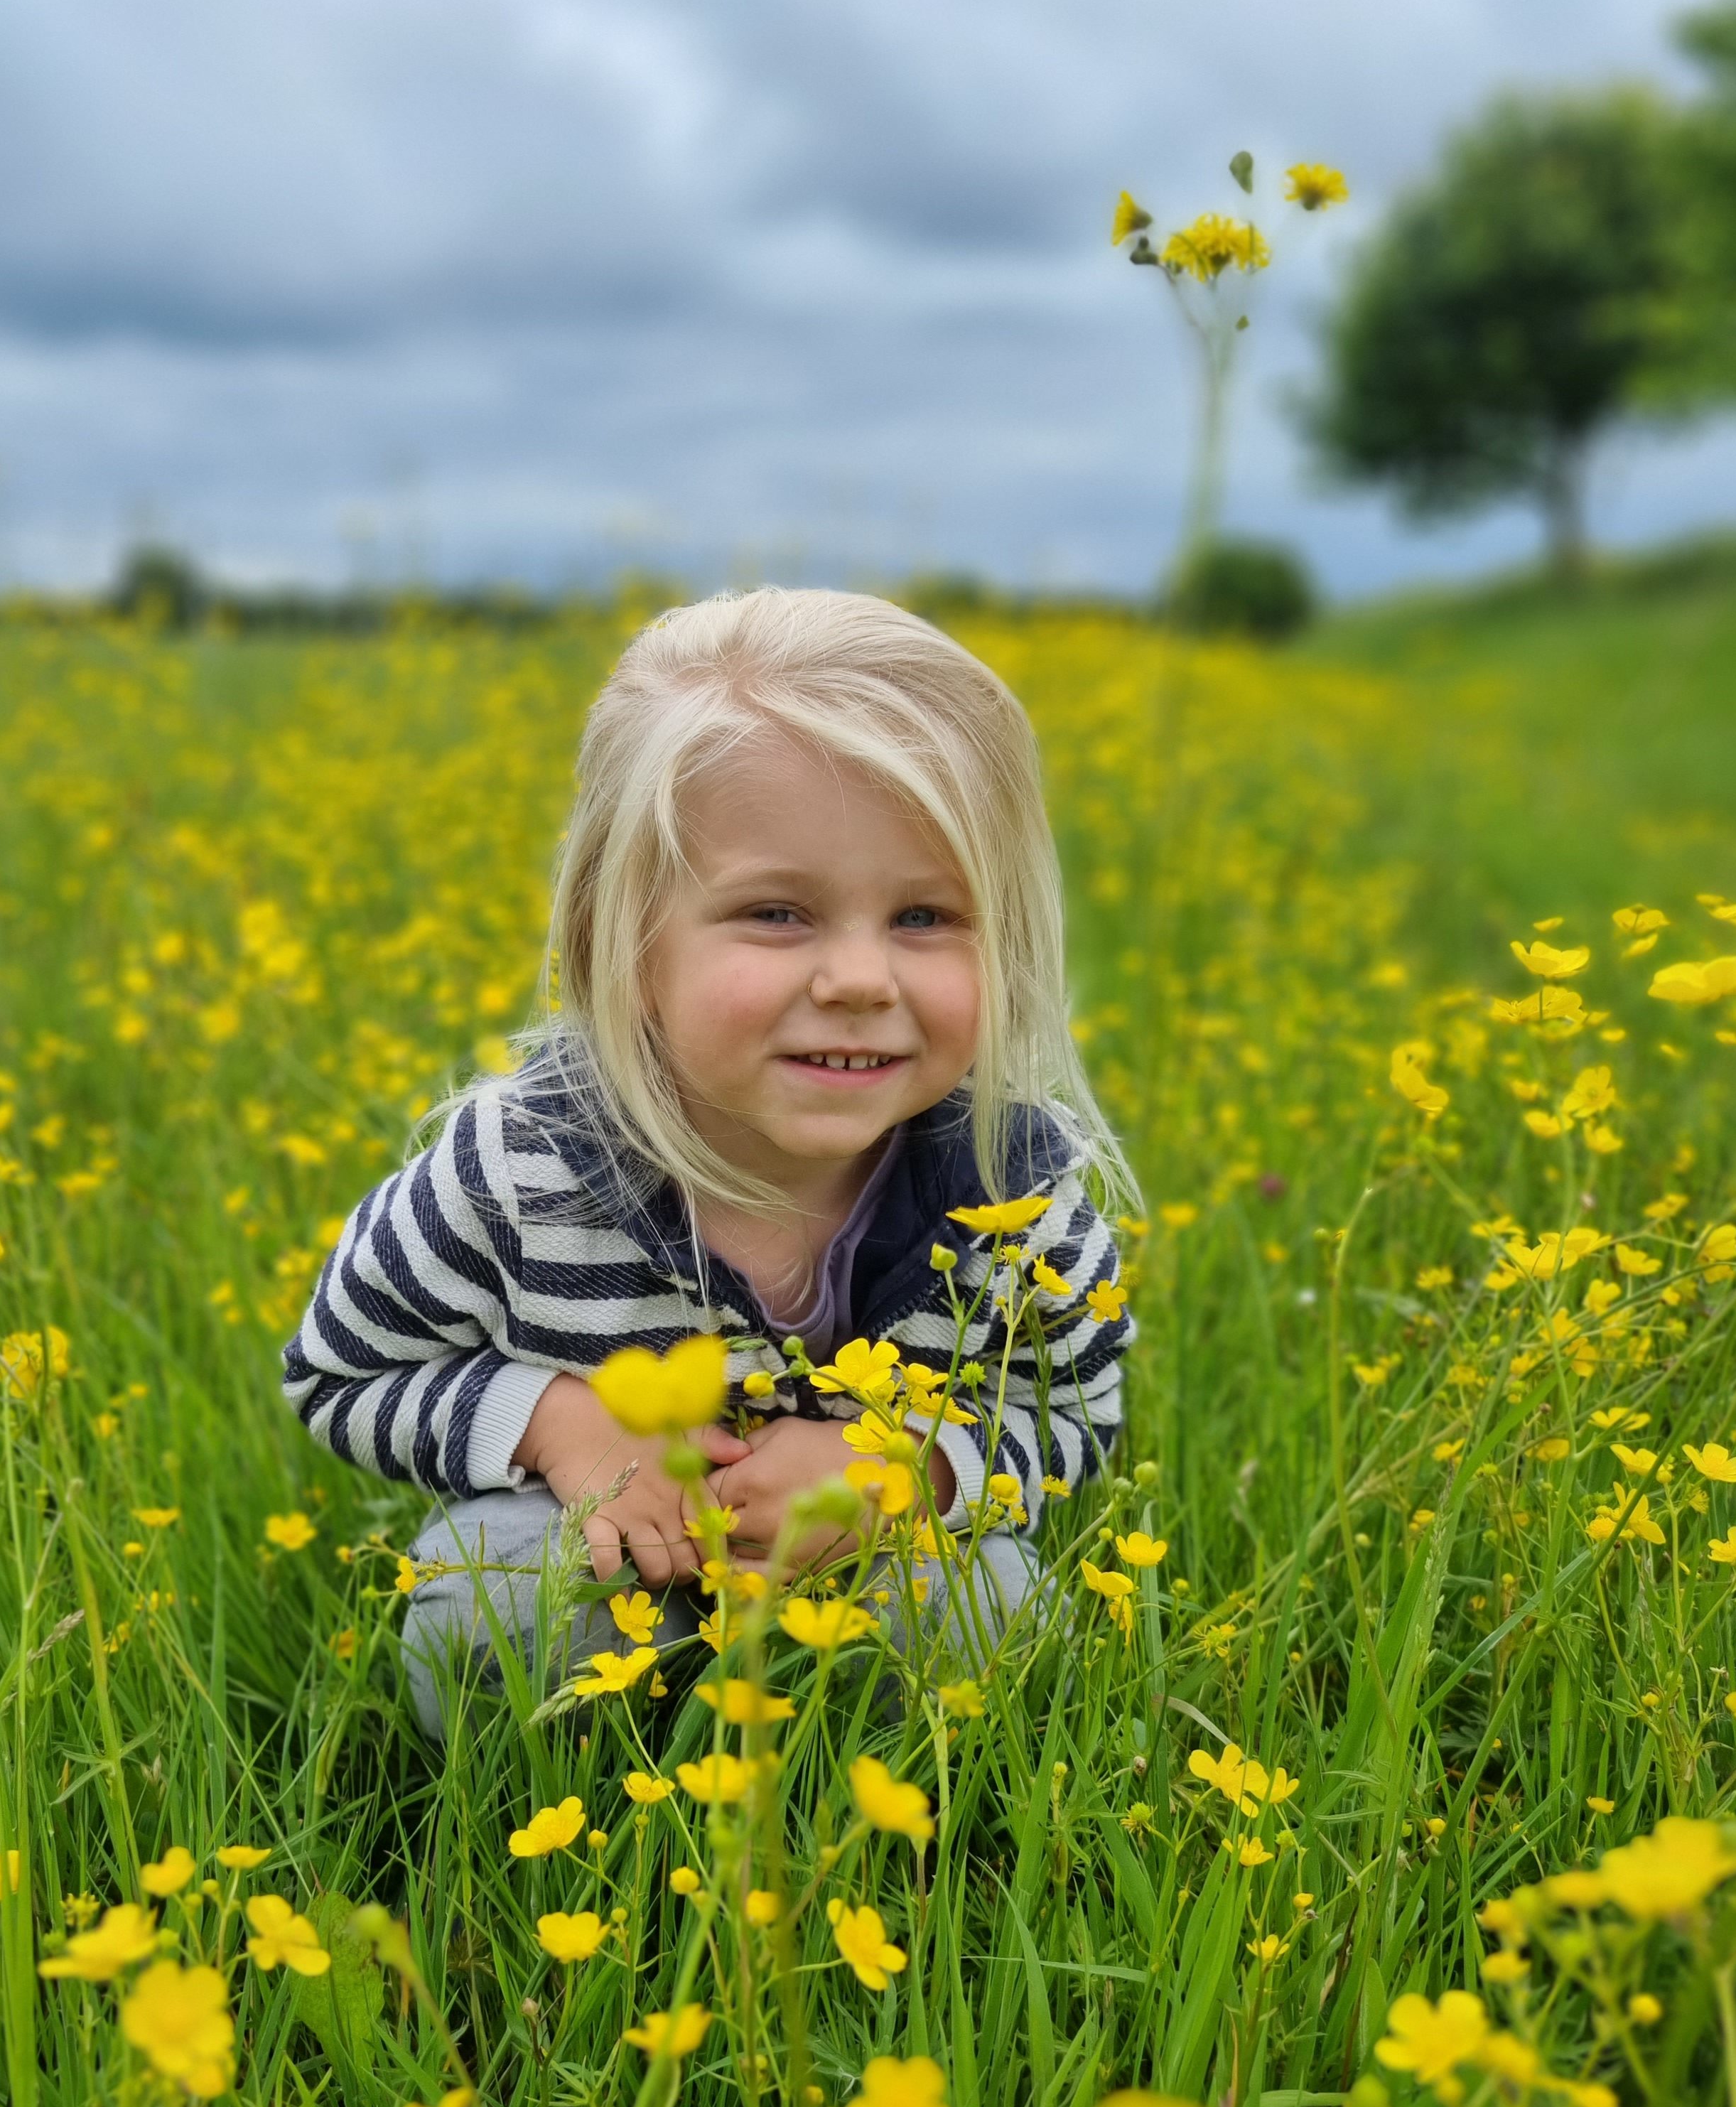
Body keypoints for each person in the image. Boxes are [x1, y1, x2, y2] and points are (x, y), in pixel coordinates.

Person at [280, 586, 1135, 1735]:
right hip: (592, 1554)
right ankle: (575, 1835)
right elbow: (338, 1377)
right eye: (779, 914)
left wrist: (912, 1473)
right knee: (489, 1615)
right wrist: (558, 1425)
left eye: (927, 918)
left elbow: (1072, 1412)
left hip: (863, 1569)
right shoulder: (517, 1171)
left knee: (993, 1611)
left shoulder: (1014, 1194)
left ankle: (856, 1842)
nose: (860, 979)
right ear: (621, 943)